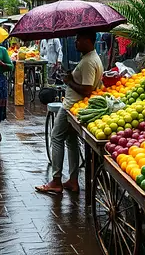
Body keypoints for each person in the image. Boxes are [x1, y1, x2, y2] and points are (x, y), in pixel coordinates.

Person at [36, 30, 103, 194]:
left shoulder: (88, 61)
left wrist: (69, 81)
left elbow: (87, 89)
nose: (76, 43)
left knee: (56, 137)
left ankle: (56, 180)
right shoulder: (90, 58)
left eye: (78, 39)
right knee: (71, 141)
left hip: (71, 106)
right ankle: (73, 180)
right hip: (76, 107)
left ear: (88, 40)